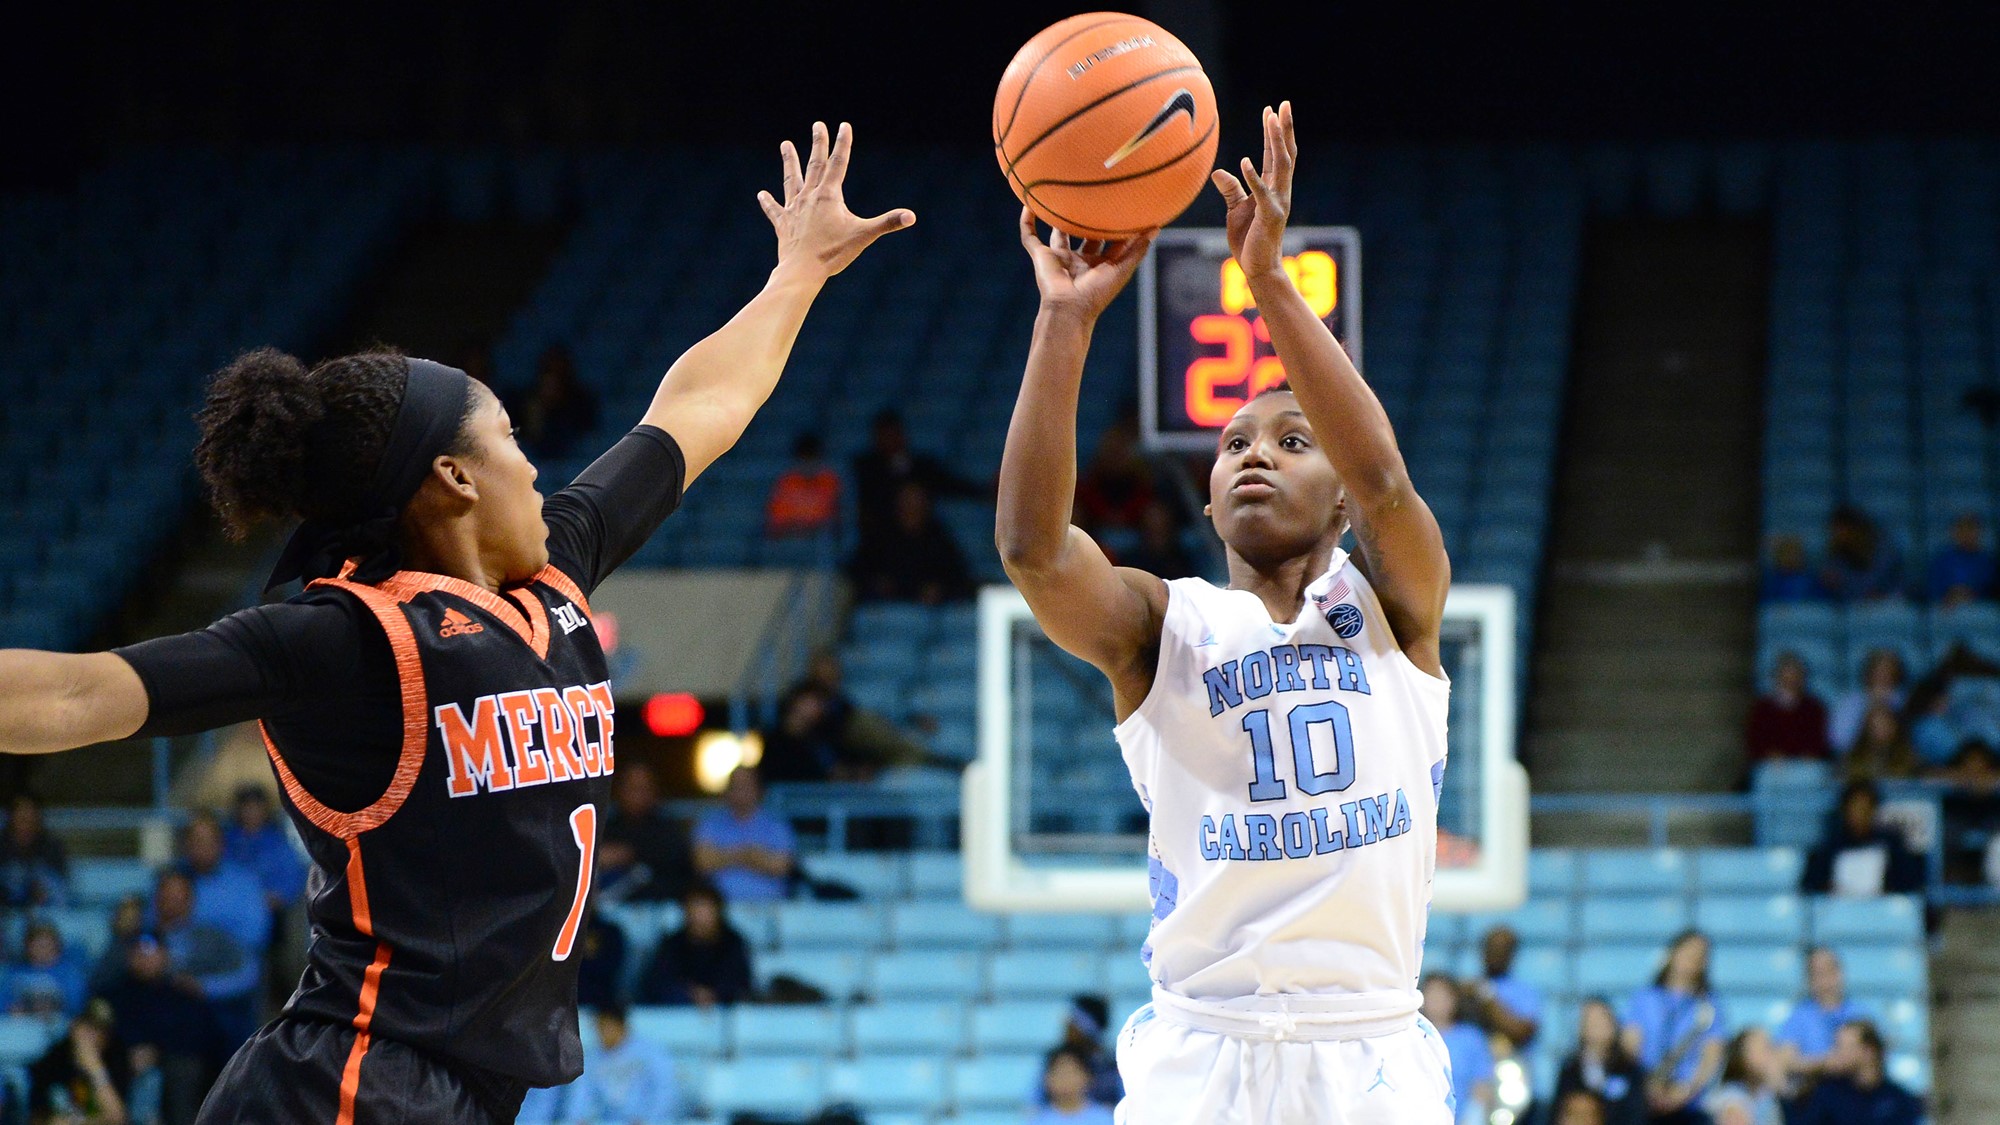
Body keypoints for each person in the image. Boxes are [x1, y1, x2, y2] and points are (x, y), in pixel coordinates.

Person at [0, 120, 911, 1123]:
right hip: (350, 1086)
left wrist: (798, 275)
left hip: (455, 1092)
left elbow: (696, 409)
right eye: (511, 436)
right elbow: (80, 691)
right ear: (454, 477)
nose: (532, 462)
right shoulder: (343, 639)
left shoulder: (554, 570)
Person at [999, 103, 1456, 1122]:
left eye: (1293, 440)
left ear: (1337, 496)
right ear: (1205, 500)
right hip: (1200, 1053)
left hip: (1366, 1052)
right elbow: (1032, 550)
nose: (1252, 450)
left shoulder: (1395, 607)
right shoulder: (1165, 626)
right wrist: (1064, 318)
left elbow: (1383, 476)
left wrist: (1267, 283)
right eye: (1231, 444)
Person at [97, 934, 223, 1125]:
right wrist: (131, 1051)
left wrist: (157, 1051)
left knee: (184, 1071)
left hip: (173, 1060)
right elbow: (103, 1030)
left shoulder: (182, 993)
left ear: (165, 957)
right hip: (124, 1059)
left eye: (151, 954)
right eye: (139, 953)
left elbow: (200, 1037)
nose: (145, 959)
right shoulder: (114, 994)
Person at [1621, 931, 1726, 1124]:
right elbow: (1630, 1047)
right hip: (1646, 1100)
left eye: (1701, 954)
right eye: (1688, 951)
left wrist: (1685, 1092)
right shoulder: (1645, 998)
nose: (1693, 958)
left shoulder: (1709, 1005)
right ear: (1672, 952)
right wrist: (1648, 1088)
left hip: (1688, 1107)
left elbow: (1712, 1055)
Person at [150, 869, 258, 1052]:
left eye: (180, 895)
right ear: (156, 898)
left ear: (191, 899)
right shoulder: (139, 937)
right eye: (167, 894)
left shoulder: (213, 938)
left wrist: (205, 987)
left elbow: (249, 973)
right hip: (151, 1024)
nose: (172, 901)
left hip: (202, 1025)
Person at [850, 407, 984, 542]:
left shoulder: (922, 468)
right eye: (885, 435)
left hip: (922, 541)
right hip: (885, 541)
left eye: (893, 434)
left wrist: (987, 492)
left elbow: (952, 485)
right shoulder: (866, 470)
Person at [847, 480, 975, 603]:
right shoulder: (880, 536)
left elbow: (957, 576)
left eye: (917, 501)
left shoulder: (938, 537)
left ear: (926, 505)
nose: (911, 507)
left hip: (928, 611)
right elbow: (858, 572)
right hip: (885, 608)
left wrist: (940, 590)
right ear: (897, 505)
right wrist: (876, 584)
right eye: (907, 501)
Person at [635, 882, 753, 1008]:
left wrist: (714, 994)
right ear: (685, 911)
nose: (699, 916)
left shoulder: (732, 942)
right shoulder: (673, 943)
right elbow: (658, 981)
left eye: (705, 909)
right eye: (694, 909)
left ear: (717, 910)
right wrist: (691, 992)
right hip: (679, 1009)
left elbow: (740, 982)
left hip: (725, 1009)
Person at [177, 811, 271, 967]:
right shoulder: (172, 881)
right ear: (186, 846)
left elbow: (257, 934)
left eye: (209, 841)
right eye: (197, 841)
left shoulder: (245, 882)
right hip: (183, 966)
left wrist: (212, 941)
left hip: (235, 965)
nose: (203, 848)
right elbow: (158, 927)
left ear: (221, 844)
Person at [1800, 780, 1926, 896]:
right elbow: (1810, 885)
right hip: (1839, 912)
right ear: (1845, 811)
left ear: (1874, 810)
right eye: (1855, 809)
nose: (1860, 815)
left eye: (1865, 809)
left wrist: (1887, 889)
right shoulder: (1830, 846)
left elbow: (1911, 883)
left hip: (1881, 911)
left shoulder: (1891, 843)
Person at [596, 760, 698, 904]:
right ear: (619, 790)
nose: (637, 794)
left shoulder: (668, 827)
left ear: (655, 791)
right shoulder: (604, 827)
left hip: (663, 908)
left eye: (644, 788)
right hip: (614, 910)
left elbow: (680, 867)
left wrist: (629, 853)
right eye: (632, 788)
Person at [694, 766, 798, 903]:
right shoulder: (710, 823)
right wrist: (750, 855)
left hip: (770, 910)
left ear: (759, 790)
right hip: (719, 913)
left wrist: (724, 856)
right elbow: (702, 862)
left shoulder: (777, 825)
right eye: (735, 786)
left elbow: (782, 866)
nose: (740, 791)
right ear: (726, 790)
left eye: (746, 786)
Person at [1791, 1021, 1921, 1125]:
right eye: (1836, 1046)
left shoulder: (1899, 1101)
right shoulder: (1827, 1095)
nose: (1836, 1053)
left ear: (1868, 1051)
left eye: (1842, 1047)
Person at [566, 1006, 681, 1124]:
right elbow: (581, 1095)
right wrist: (577, 1119)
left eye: (607, 1027)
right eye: (599, 1027)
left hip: (646, 1120)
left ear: (622, 1026)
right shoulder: (592, 1058)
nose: (602, 1033)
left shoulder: (651, 1053)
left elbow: (667, 1090)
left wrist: (650, 1119)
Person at [26, 998, 130, 1125]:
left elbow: (117, 1117)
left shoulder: (115, 1058)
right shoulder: (52, 1061)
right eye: (89, 1028)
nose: (95, 1037)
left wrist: (95, 1069)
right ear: (75, 1026)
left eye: (102, 1031)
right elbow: (37, 1117)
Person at [1774, 948, 1868, 1086]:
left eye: (1830, 970)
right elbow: (1785, 1062)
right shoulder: (1798, 1016)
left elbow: (1873, 1060)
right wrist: (1824, 1064)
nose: (1825, 979)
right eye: (1818, 973)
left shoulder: (1862, 1013)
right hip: (1813, 1096)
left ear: (1840, 973)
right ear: (1808, 979)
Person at [1552, 998, 1646, 1125]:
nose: (1596, 1025)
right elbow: (1558, 1114)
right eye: (1590, 1020)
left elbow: (1636, 1115)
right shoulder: (1569, 1071)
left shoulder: (1630, 1070)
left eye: (1601, 1019)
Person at [1420, 975, 1494, 1124]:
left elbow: (1482, 1087)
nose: (1437, 1001)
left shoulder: (1471, 1038)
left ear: (1454, 1000)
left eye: (1443, 995)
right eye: (1432, 994)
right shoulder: (1412, 1035)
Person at [508, 343, 599, 460]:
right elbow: (524, 439)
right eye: (548, 373)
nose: (552, 382)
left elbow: (586, 439)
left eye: (558, 375)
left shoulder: (581, 405)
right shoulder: (527, 404)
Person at [1074, 420, 1159, 535]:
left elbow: (1146, 496)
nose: (1115, 455)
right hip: (1096, 519)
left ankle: (1159, 553)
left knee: (1155, 515)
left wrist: (1125, 515)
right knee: (1075, 513)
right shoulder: (1095, 473)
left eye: (1119, 451)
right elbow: (1086, 496)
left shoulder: (1138, 475)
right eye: (1112, 450)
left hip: (1133, 518)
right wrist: (1106, 514)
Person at [1744, 653, 1831, 764]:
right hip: (1771, 766)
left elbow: (1821, 741)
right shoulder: (1762, 708)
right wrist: (1770, 754)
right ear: (1777, 677)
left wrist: (1810, 755)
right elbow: (1755, 741)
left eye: (1796, 675)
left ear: (1803, 678)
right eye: (1786, 675)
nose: (1791, 680)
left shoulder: (1814, 708)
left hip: (1806, 766)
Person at [1469, 924, 1542, 1052]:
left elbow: (1523, 1032)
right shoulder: (1468, 988)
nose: (1496, 954)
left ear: (1513, 953)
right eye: (1491, 948)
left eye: (1503, 949)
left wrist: (1487, 999)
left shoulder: (1525, 992)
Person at [764, 431, 842, 539]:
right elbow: (777, 523)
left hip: (822, 541)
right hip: (790, 540)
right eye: (805, 459)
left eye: (812, 458)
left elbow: (837, 519)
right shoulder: (786, 482)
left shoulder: (830, 480)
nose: (808, 465)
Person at [1828, 648, 1906, 755]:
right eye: (1879, 669)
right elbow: (1839, 740)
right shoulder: (1850, 701)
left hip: (1897, 757)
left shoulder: (1906, 700)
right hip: (1856, 758)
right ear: (1869, 672)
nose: (1883, 674)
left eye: (1889, 669)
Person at [0, 792, 71, 908]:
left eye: (31, 818)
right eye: (21, 819)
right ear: (10, 819)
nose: (26, 825)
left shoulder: (52, 847)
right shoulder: (2, 847)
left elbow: (61, 891)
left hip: (44, 913)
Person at [5, 920, 87, 1018]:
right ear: (28, 947)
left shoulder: (71, 974)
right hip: (20, 1025)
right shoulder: (14, 973)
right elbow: (3, 1003)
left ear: (57, 945)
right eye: (37, 944)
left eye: (47, 944)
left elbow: (77, 1007)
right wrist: (11, 1009)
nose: (42, 948)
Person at [1819, 505, 1902, 601]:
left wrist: (1882, 596)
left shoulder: (1884, 550)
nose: (1841, 536)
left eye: (1844, 530)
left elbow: (1898, 585)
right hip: (1855, 610)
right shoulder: (1835, 556)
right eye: (1836, 531)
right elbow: (1844, 592)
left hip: (1889, 606)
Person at [1702, 1028, 1783, 1125]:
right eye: (1766, 1048)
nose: (1773, 1055)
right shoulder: (1732, 1101)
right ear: (1744, 1060)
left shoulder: (1765, 1096)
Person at [1029, 1046, 1117, 1125]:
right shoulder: (1037, 1121)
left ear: (1087, 1076)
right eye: (1059, 1073)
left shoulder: (1107, 1119)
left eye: (1070, 1072)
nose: (1065, 1079)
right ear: (1047, 1079)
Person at [1116, 500, 1199, 580]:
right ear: (1144, 527)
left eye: (1163, 526)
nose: (1158, 529)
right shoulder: (1132, 562)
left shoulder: (1185, 557)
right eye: (1152, 528)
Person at [1928, 512, 1994, 604]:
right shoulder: (1941, 561)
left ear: (1979, 532)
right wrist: (1950, 594)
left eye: (1970, 529)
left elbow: (1991, 591)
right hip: (1946, 610)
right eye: (1961, 529)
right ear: (1954, 532)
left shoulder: (1988, 562)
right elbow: (1932, 589)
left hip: (1981, 611)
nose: (1966, 534)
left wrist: (1971, 594)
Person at [1842, 704, 1920, 781]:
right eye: (1875, 725)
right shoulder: (1854, 758)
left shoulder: (1909, 758)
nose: (1881, 730)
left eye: (1885, 724)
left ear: (1894, 727)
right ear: (1866, 729)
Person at [572, 911, 628, 1011]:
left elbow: (612, 966)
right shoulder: (563, 932)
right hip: (570, 994)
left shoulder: (610, 932)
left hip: (602, 996)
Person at [1758, 535, 1818, 603]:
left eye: (1794, 554)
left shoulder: (1812, 581)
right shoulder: (1769, 582)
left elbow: (1821, 604)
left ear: (1802, 556)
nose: (1790, 558)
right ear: (1778, 557)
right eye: (1786, 553)